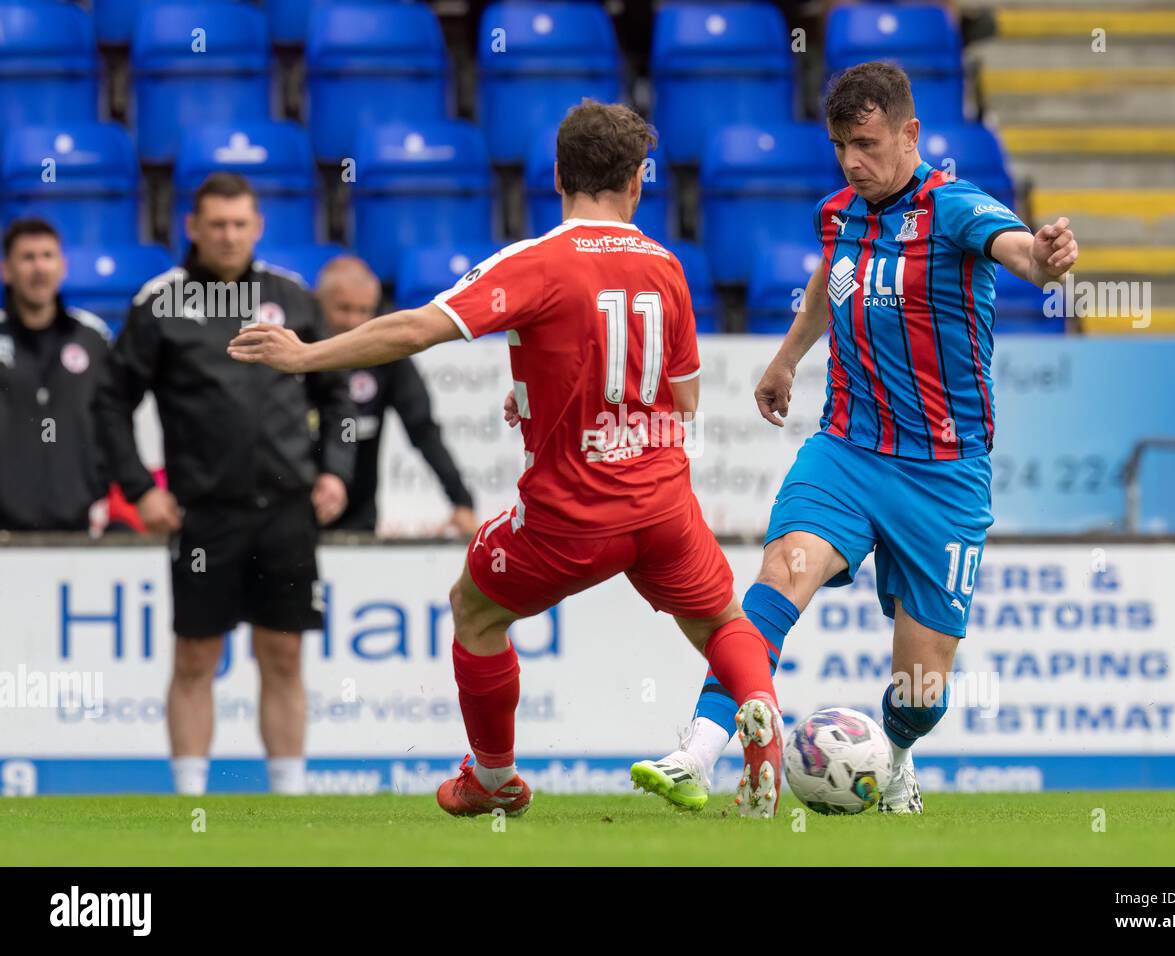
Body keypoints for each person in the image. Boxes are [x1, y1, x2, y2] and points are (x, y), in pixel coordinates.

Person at [229, 101, 786, 818]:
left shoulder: (538, 263)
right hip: (663, 504)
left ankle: (492, 779)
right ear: (638, 184)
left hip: (573, 515)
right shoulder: (667, 266)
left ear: (555, 175)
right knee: (721, 626)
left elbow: (416, 327)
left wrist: (309, 354)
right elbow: (682, 403)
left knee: (475, 610)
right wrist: (547, 398)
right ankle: (763, 723)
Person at [633, 61, 1080, 813]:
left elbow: (1019, 252)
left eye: (867, 143)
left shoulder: (956, 209)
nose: (852, 160)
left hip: (943, 475)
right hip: (845, 450)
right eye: (841, 144)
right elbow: (826, 282)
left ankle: (898, 756)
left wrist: (1045, 258)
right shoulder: (841, 212)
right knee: (780, 574)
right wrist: (784, 360)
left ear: (910, 134)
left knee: (921, 689)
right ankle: (698, 753)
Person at [95, 172, 357, 796]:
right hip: (203, 513)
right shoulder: (159, 302)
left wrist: (336, 472)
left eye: (240, 223)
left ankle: (289, 797)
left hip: (286, 508)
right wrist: (139, 488)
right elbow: (108, 403)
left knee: (284, 655)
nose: (229, 234)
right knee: (194, 658)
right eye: (216, 224)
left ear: (258, 226)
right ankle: (190, 798)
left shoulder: (293, 298)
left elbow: (340, 392)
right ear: (192, 227)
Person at [314, 255, 477, 535]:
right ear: (318, 303)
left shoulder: (387, 353)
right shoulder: (293, 347)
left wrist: (461, 500)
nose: (355, 321)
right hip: (290, 514)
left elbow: (422, 428)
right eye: (343, 309)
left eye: (364, 310)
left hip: (358, 518)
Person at [0, 218, 112, 532]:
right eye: (28, 257)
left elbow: (114, 419)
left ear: (62, 266)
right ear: (6, 270)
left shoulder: (93, 338)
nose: (39, 267)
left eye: (47, 256)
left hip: (80, 522)